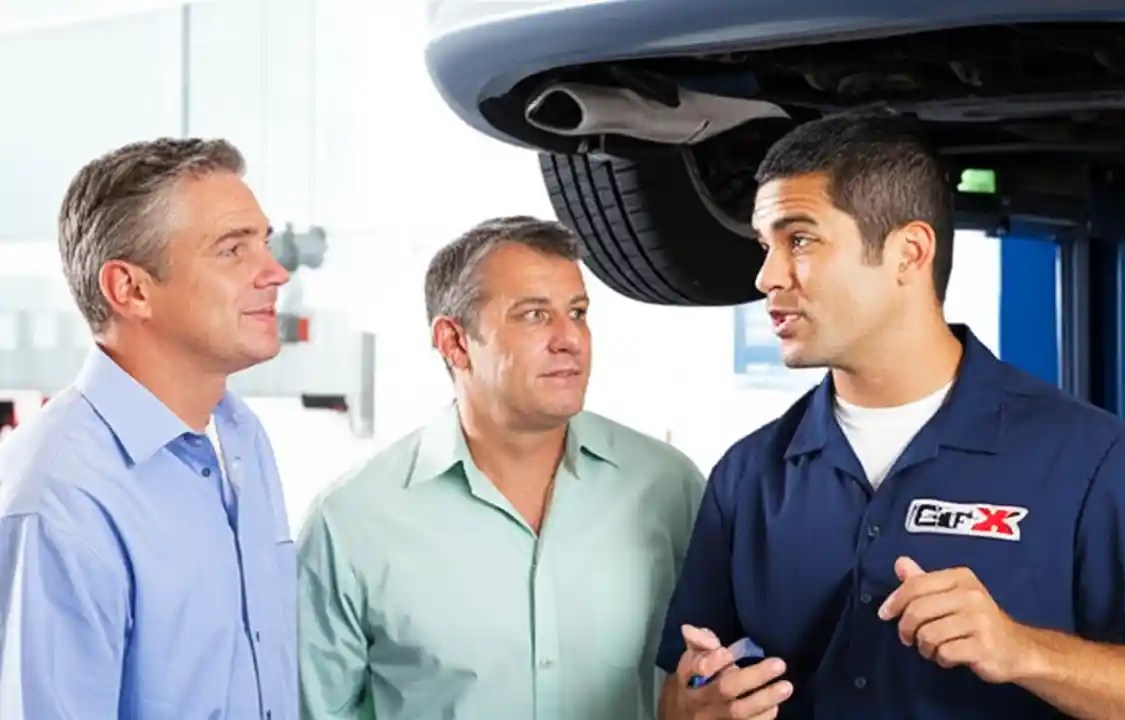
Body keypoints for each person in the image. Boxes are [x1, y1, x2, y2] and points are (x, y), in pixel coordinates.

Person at [656, 117, 1125, 719]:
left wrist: (1024, 651)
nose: (766, 277)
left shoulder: (1088, 458)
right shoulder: (748, 474)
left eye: (801, 240)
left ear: (908, 253)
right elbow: (681, 697)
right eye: (766, 246)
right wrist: (696, 707)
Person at [296, 216, 706, 720]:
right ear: (454, 342)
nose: (570, 339)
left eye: (577, 313)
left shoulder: (667, 486)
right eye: (534, 316)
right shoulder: (351, 521)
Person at [0, 138, 296, 719]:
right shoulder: (61, 502)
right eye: (233, 250)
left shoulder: (242, 438)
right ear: (130, 289)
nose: (275, 272)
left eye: (265, 243)